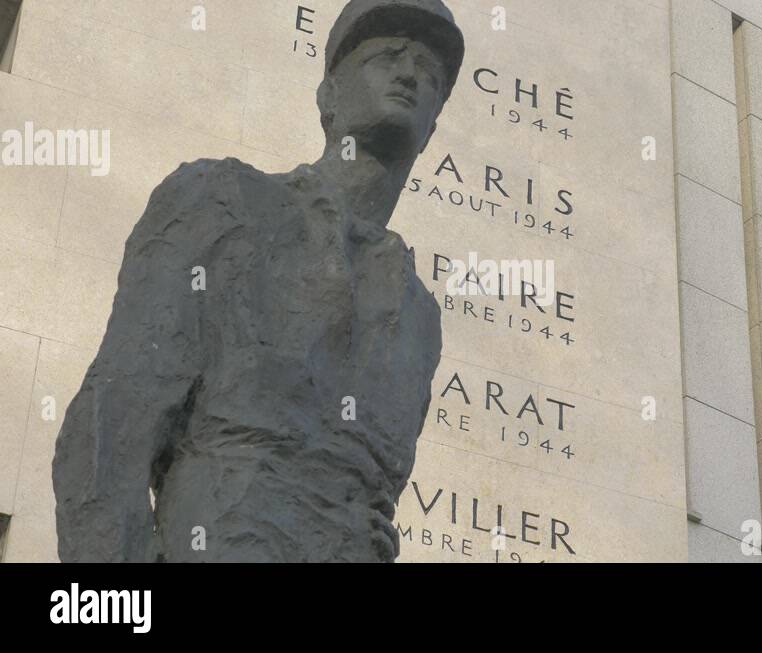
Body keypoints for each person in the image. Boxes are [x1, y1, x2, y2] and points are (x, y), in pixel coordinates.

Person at [52, 0, 464, 562]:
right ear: (329, 97)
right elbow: (109, 424)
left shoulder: (420, 315)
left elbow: (375, 494)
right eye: (387, 56)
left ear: (434, 127)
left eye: (431, 73)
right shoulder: (223, 200)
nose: (411, 73)